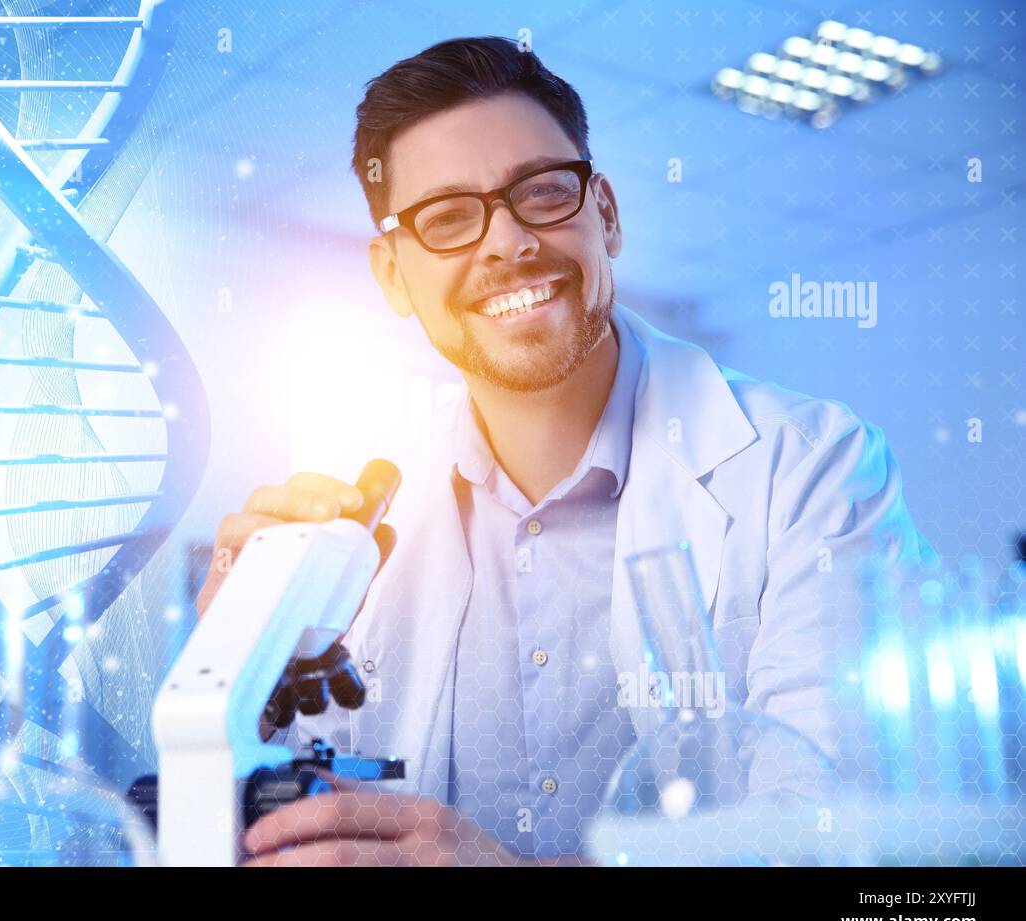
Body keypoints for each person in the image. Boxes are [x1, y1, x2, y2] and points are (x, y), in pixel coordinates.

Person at [200, 37, 931, 866]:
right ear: (393, 277)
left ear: (605, 215)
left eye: (544, 193)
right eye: (446, 219)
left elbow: (848, 839)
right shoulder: (353, 527)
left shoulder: (811, 468)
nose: (508, 243)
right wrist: (233, 680)